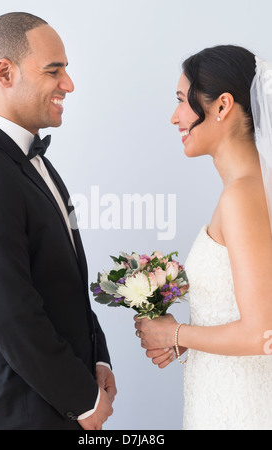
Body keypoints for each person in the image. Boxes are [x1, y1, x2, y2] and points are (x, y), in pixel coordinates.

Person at [0, 12, 116, 430]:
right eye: (54, 71)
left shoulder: (39, 167)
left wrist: (97, 355)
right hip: (20, 412)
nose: (68, 84)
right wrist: (83, 399)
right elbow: (9, 311)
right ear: (5, 73)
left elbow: (62, 281)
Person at [134, 45, 272, 430]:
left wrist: (175, 332)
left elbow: (262, 332)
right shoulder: (247, 190)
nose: (174, 117)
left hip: (241, 409)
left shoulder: (242, 196)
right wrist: (184, 340)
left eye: (182, 101)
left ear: (222, 105)